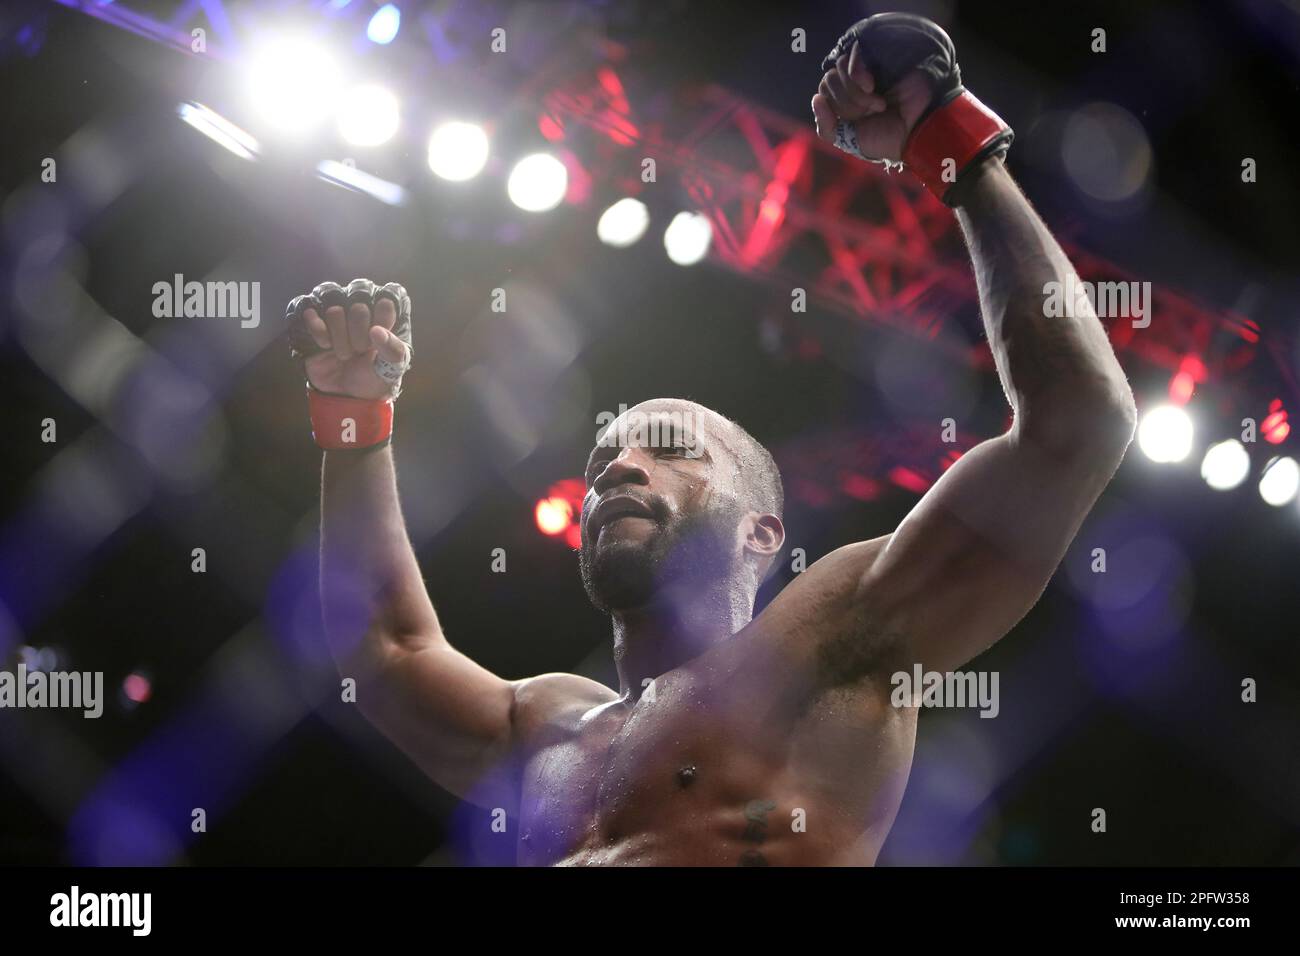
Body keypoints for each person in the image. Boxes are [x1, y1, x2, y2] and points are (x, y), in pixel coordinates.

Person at [284, 13, 1136, 865]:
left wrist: (956, 152)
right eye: (604, 459)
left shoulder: (831, 641)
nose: (619, 467)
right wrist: (355, 419)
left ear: (761, 533)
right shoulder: (545, 726)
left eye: (671, 449)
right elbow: (386, 649)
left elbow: (1079, 425)